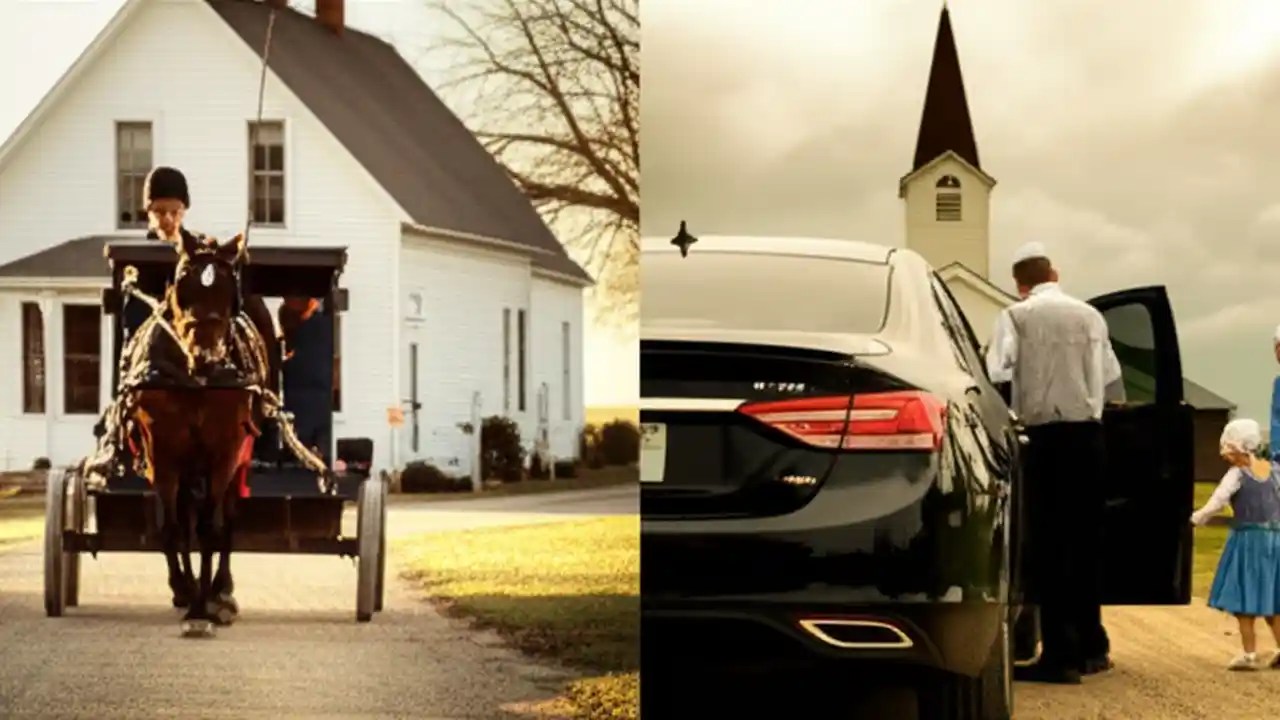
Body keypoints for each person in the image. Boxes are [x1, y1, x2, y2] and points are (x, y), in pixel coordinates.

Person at [989, 241, 1125, 684]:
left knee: (1049, 545)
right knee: (1085, 543)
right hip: (1089, 438)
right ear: (1055, 274)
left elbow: (998, 374)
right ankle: (1092, 646)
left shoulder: (1016, 316)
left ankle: (1059, 656)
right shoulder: (1091, 316)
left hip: (1043, 439)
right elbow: (1111, 379)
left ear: (1020, 284)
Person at [1190, 418, 1280, 670]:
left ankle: (1249, 654)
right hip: (1275, 541)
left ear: (1238, 446)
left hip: (1248, 541)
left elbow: (1218, 501)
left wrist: (1196, 518)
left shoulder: (1237, 474)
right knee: (1273, 597)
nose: (1225, 454)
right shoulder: (1274, 470)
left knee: (1245, 597)